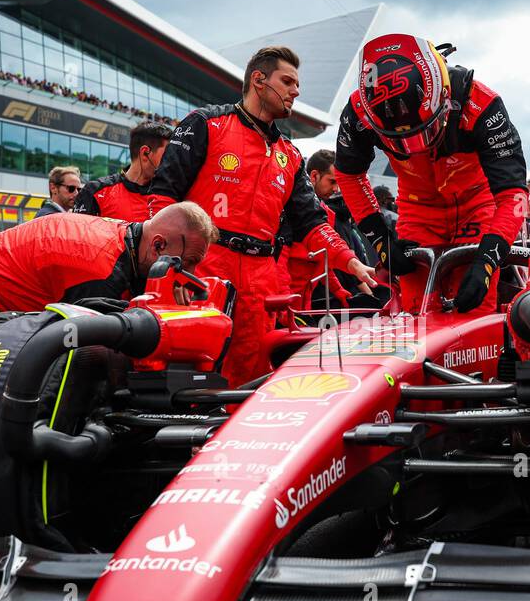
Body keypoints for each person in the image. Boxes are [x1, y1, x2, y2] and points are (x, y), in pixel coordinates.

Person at [148, 46, 375, 385]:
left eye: (296, 84)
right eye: (287, 81)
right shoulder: (206, 125)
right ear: (258, 80)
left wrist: (350, 261)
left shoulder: (291, 154)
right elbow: (162, 198)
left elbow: (312, 222)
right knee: (196, 374)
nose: (295, 91)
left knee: (254, 377)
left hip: (261, 281)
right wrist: (169, 267)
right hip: (205, 268)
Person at [334, 34, 527, 317]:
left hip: (478, 206)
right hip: (418, 210)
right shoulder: (358, 113)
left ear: (444, 97)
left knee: (474, 313)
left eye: (423, 130)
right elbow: (348, 176)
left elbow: (515, 195)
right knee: (417, 313)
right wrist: (381, 241)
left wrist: (488, 259)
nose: (414, 146)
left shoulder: (481, 104)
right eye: (400, 140)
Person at [0, 203, 217, 343]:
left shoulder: (128, 240)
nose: (190, 273)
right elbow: (92, 351)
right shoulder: (100, 269)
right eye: (188, 262)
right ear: (157, 245)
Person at [279, 149, 381, 308]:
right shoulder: (289, 210)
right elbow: (279, 260)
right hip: (284, 302)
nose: (336, 190)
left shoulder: (326, 213)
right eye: (332, 181)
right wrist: (284, 307)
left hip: (301, 301)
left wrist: (338, 290)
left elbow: (323, 260)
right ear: (313, 176)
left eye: (338, 183)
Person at [73, 121, 173, 221]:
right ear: (145, 153)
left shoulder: (169, 195)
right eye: (167, 155)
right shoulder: (94, 191)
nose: (171, 161)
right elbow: (78, 234)